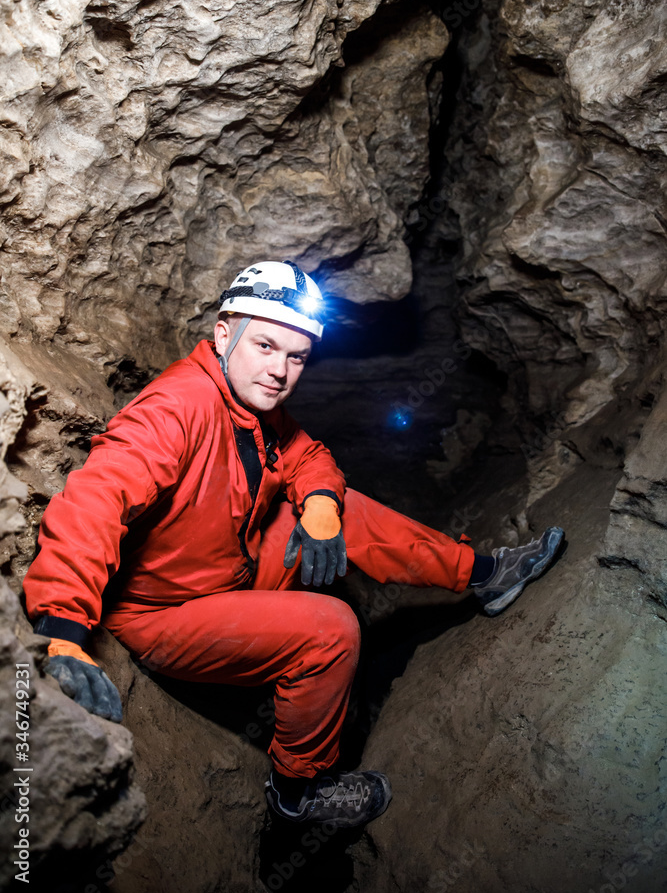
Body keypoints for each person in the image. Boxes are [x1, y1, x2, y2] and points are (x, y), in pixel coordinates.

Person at [23, 259, 564, 830]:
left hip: (230, 566)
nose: (280, 370)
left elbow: (307, 456)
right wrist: (61, 630)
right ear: (224, 333)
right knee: (331, 630)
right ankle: (299, 791)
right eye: (265, 346)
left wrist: (323, 506)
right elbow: (95, 500)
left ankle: (484, 573)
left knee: (340, 509)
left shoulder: (253, 406)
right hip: (166, 613)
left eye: (296, 356)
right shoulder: (175, 409)